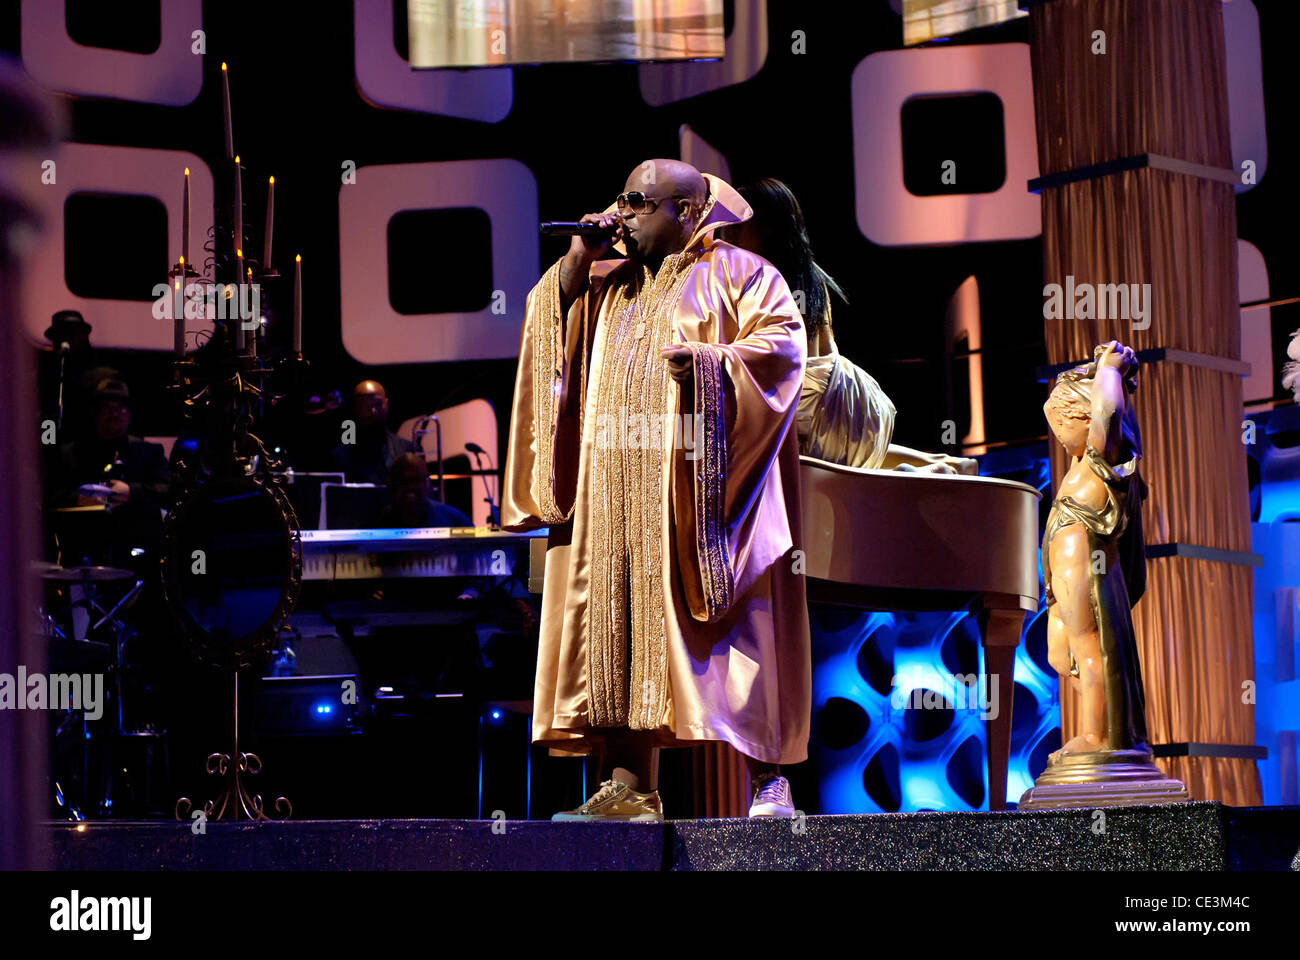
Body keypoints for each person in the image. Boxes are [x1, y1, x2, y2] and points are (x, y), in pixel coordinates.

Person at [503, 159, 809, 820]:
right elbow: (546, 329)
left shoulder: (742, 274)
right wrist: (577, 259)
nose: (624, 214)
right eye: (622, 199)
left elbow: (784, 350)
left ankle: (770, 782)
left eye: (639, 202)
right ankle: (630, 786)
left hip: (701, 489)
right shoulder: (606, 283)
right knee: (617, 626)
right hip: (614, 488)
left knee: (739, 629)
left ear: (688, 211)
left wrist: (710, 364)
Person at [723, 177, 976, 475]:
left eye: (739, 223)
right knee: (848, 454)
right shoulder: (812, 273)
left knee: (792, 454)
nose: (728, 232)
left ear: (767, 226)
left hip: (813, 401)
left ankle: (907, 475)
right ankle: (944, 463)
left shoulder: (763, 276)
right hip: (848, 394)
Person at [1041, 340, 1148, 758]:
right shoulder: (1076, 464)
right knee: (1067, 652)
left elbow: (1108, 413)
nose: (1058, 436)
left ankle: (1098, 736)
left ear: (1086, 419)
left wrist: (1109, 369)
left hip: (1084, 553)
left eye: (1062, 424)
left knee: (1091, 646)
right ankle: (1098, 727)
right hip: (1064, 562)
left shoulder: (1103, 456)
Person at [47, 374, 170, 569]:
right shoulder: (70, 454)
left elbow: (169, 491)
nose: (115, 414)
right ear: (93, 412)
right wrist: (79, 499)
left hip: (140, 559)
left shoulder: (148, 452)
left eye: (121, 408)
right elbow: (47, 498)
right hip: (83, 556)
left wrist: (132, 492)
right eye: (107, 408)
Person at [327, 380, 415, 485]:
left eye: (377, 404)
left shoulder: (409, 450)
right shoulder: (339, 457)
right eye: (365, 405)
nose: (373, 411)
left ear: (386, 404)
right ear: (355, 407)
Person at [378, 453, 472, 528]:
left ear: (427, 484)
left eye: (416, 481)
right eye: (404, 481)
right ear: (391, 485)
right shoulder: (377, 523)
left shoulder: (454, 520)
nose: (411, 487)